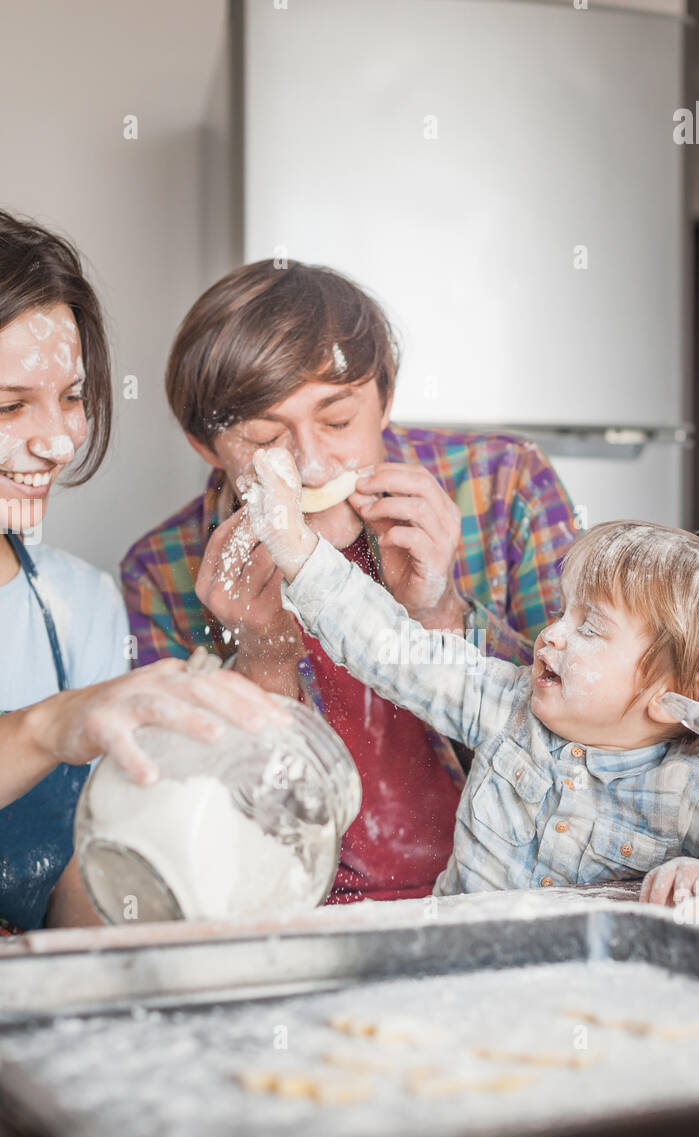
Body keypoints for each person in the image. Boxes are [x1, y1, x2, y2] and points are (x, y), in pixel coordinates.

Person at [121, 260, 580, 904]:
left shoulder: (506, 486)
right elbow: (186, 849)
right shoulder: (160, 572)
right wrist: (264, 663)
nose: (310, 466)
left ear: (385, 399)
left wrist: (440, 612)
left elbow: (598, 744)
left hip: (503, 899)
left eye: (337, 422)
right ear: (206, 446)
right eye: (263, 438)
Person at [247, 443, 699, 905]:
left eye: (588, 628)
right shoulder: (503, 705)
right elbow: (396, 650)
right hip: (457, 977)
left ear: (672, 699)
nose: (551, 635)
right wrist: (297, 549)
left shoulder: (683, 794)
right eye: (562, 612)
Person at [0, 211, 292, 933]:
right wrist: (46, 729)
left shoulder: (81, 605)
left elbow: (74, 888)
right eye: (9, 405)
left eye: (72, 397)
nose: (61, 440)